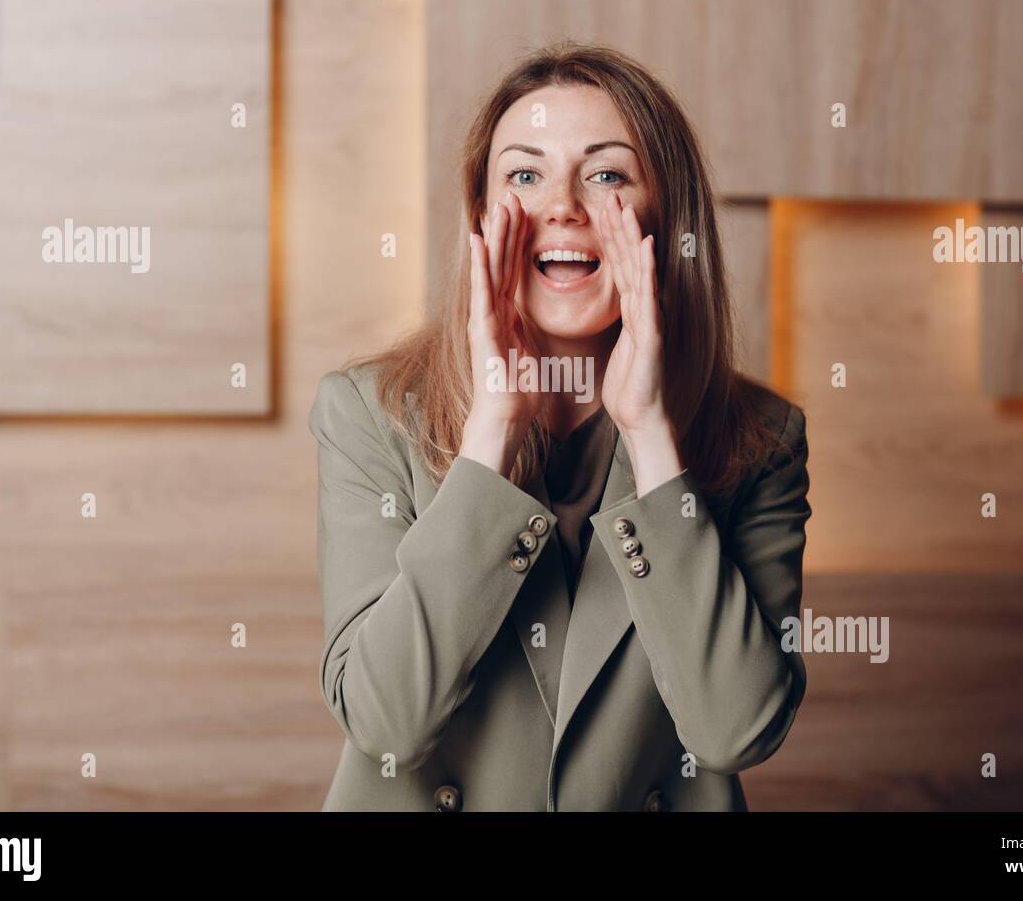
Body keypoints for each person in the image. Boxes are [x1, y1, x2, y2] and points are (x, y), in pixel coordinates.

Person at [309, 42, 811, 811]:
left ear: (666, 216)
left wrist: (651, 436)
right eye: (524, 174)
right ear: (482, 217)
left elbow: (734, 730)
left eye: (607, 174)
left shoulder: (762, 438)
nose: (564, 205)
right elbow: (386, 724)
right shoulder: (367, 413)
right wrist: (492, 433)